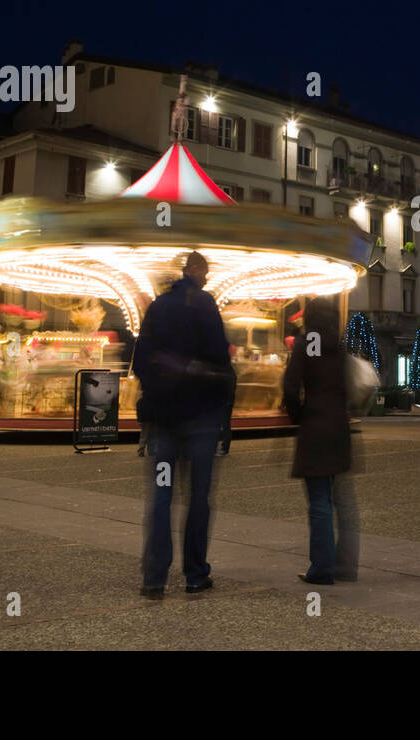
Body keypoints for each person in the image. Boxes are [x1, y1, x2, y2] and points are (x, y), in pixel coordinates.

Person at [133, 252, 234, 599]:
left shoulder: (158, 307)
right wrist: (224, 412)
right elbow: (222, 358)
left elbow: (140, 361)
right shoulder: (205, 305)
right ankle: (194, 574)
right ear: (197, 272)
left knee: (161, 495)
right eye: (204, 272)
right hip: (201, 419)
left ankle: (154, 577)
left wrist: (151, 402)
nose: (206, 278)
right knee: (198, 498)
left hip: (163, 421)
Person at [283, 295, 359, 584]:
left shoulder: (305, 345)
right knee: (340, 500)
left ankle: (322, 568)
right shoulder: (339, 348)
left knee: (319, 501)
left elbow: (291, 388)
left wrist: (298, 415)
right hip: (339, 428)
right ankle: (345, 566)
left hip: (314, 427)